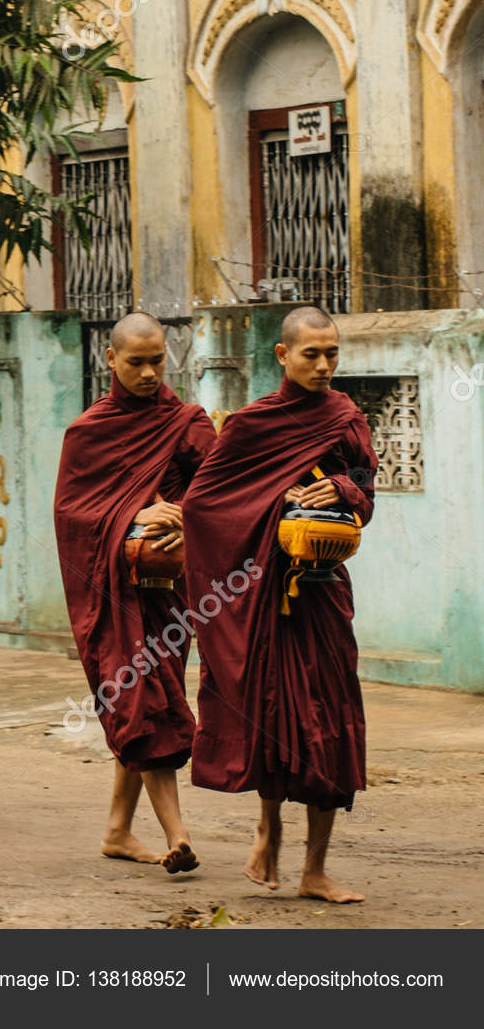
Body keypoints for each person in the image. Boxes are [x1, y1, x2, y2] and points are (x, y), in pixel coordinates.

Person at [184, 305, 376, 903]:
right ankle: (268, 828)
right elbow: (204, 504)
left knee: (330, 724)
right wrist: (277, 506)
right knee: (273, 714)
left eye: (332, 354)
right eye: (311, 354)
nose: (323, 365)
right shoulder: (250, 425)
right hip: (266, 596)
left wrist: (340, 489)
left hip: (323, 595)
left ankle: (315, 869)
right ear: (282, 356)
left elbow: (367, 491)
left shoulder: (345, 418)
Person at [53, 312, 214, 873]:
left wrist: (183, 514)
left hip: (169, 593)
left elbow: (217, 493)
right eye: (136, 362)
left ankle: (118, 830)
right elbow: (72, 514)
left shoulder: (188, 422)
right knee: (143, 704)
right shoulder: (89, 431)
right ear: (111, 360)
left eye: (156, 362)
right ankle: (178, 834)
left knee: (146, 706)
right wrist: (134, 513)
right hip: (114, 597)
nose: (148, 374)